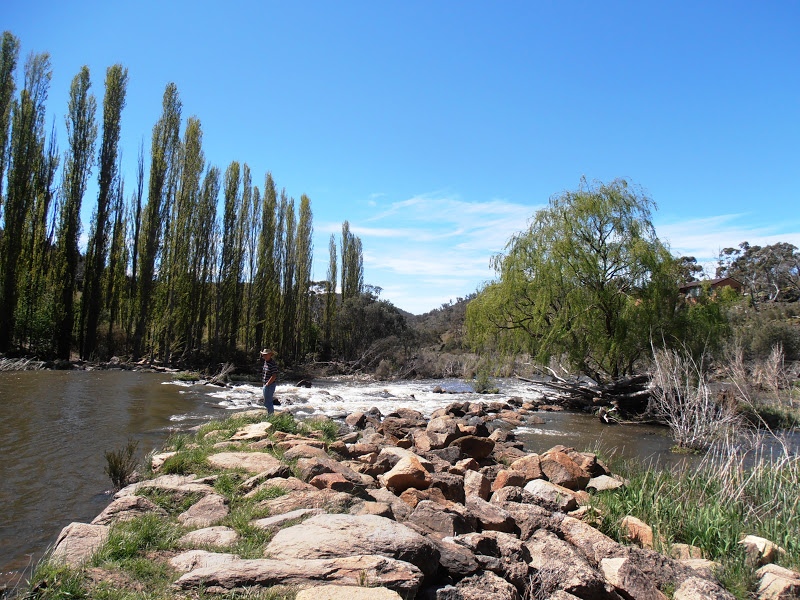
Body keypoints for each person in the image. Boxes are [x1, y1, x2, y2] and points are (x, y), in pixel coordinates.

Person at [260, 348, 278, 414]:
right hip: (266, 384)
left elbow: (274, 375)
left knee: (268, 402)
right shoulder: (266, 362)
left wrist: (267, 384)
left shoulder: (272, 363)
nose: (264, 356)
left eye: (266, 355)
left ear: (270, 355)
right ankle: (268, 415)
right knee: (266, 402)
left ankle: (270, 416)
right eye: (263, 355)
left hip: (270, 385)